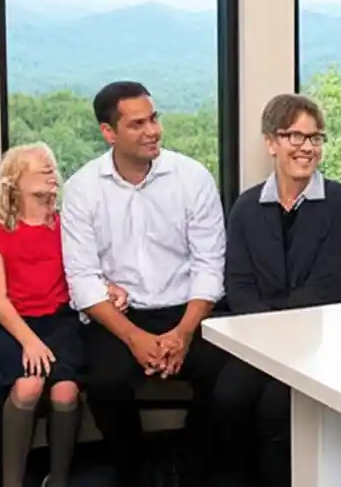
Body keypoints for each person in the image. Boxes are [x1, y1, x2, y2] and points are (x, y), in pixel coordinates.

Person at [60, 81, 229, 486]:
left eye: (154, 118)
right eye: (137, 124)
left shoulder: (192, 178)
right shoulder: (83, 189)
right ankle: (133, 468)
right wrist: (134, 337)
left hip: (187, 309)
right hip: (120, 315)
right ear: (109, 132)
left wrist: (184, 333)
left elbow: (210, 266)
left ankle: (191, 464)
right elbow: (82, 281)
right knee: (104, 382)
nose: (152, 130)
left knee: (227, 375)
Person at [216, 94, 341, 487]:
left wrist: (278, 331)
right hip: (259, 337)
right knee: (228, 397)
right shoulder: (246, 207)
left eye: (314, 138)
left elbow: (329, 284)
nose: (307, 148)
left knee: (276, 407)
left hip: (322, 337)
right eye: (294, 137)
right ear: (271, 143)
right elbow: (238, 283)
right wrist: (267, 334)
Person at [0, 143, 124, 487]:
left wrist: (108, 288)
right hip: (14, 326)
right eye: (39, 164)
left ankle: (57, 480)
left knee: (66, 393)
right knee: (29, 387)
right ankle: (11, 482)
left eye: (51, 165)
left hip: (59, 323)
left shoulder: (64, 225)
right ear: (14, 179)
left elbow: (83, 271)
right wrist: (29, 342)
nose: (49, 167)